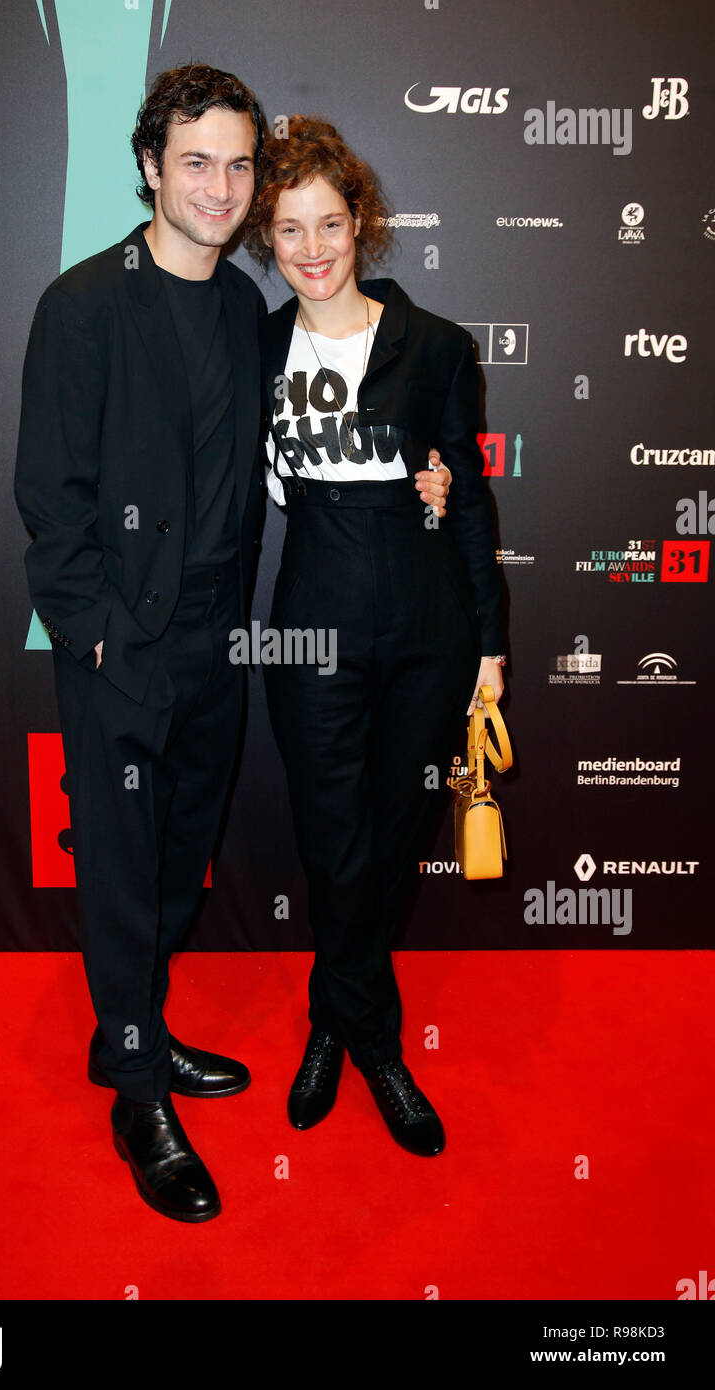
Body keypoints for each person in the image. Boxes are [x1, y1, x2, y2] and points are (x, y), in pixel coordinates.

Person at [13, 63, 272, 1224]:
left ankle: (141, 1033)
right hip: (124, 642)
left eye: (239, 163)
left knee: (176, 856)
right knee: (121, 870)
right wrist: (104, 641)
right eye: (198, 162)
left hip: (219, 634)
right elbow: (50, 502)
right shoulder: (81, 306)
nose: (221, 187)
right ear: (150, 170)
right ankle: (134, 1093)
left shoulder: (240, 310)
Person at [243, 116, 506, 1157]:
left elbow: (471, 498)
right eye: (290, 229)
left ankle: (334, 1019)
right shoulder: (256, 343)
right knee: (329, 837)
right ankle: (373, 1039)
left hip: (426, 624)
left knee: (393, 839)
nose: (312, 249)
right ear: (268, 239)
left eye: (330, 224)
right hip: (311, 622)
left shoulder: (436, 346)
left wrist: (489, 641)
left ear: (364, 225)